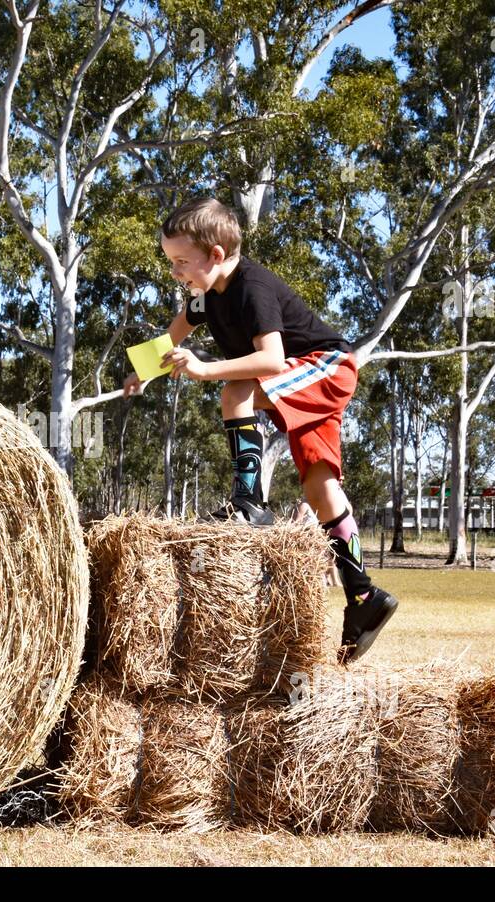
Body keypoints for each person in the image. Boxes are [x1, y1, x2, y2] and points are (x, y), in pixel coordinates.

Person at [120, 196, 396, 663]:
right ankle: (365, 596)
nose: (175, 272)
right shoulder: (207, 296)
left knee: (235, 390)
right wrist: (143, 370)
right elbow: (173, 335)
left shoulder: (251, 287)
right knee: (318, 485)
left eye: (182, 262)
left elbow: (270, 359)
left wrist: (206, 370)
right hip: (308, 376)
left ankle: (248, 501)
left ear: (217, 256)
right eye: (171, 262)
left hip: (327, 367)